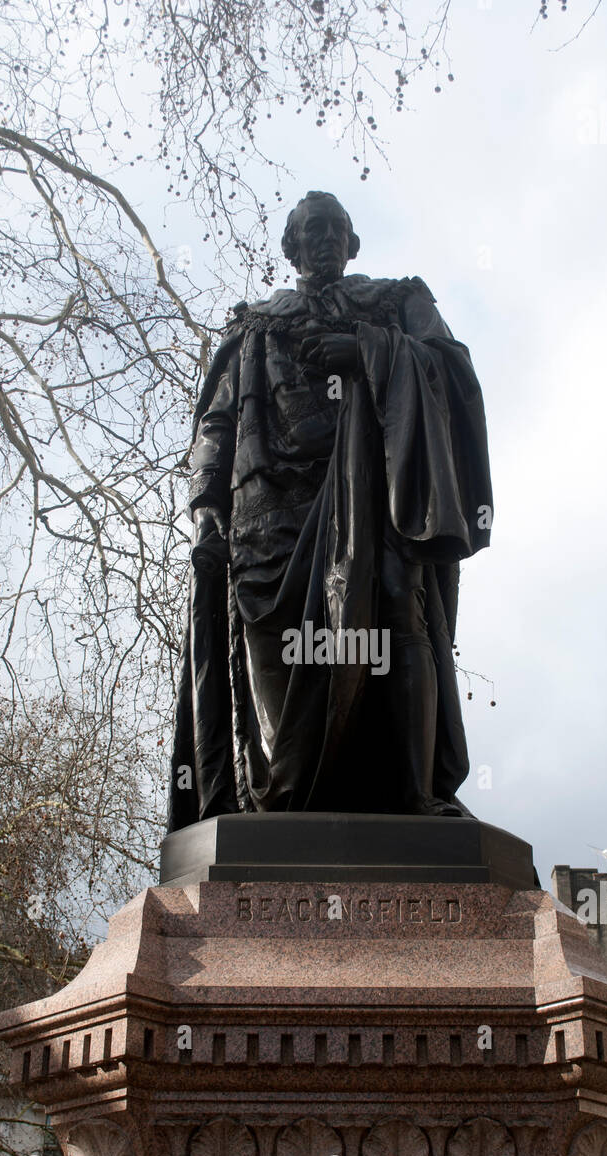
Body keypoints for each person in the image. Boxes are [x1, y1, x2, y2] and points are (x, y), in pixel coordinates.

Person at [168, 191, 492, 828]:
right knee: (278, 654)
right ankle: (280, 804)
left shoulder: (395, 302)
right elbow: (218, 420)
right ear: (290, 247)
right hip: (270, 513)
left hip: (375, 497)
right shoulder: (254, 325)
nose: (322, 239)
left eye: (335, 228)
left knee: (402, 618)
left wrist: (370, 352)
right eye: (309, 230)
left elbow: (454, 372)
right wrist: (206, 505)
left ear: (353, 242)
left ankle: (415, 796)